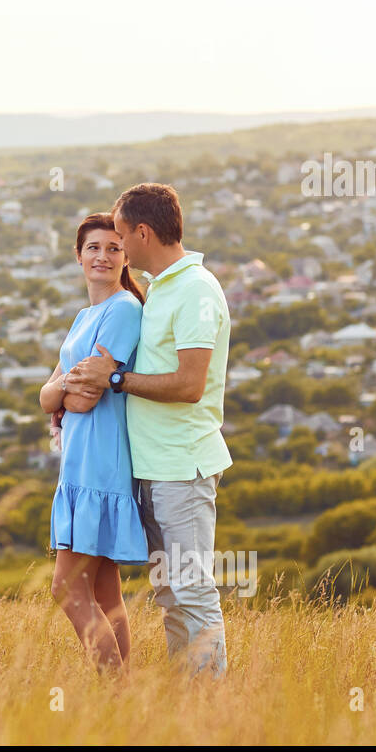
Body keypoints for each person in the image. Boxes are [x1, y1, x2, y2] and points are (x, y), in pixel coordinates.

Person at [66, 183, 232, 677]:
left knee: (192, 592)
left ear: (142, 232)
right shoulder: (163, 287)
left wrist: (114, 379)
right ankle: (188, 699)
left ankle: (208, 707)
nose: (117, 249)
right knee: (170, 593)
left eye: (120, 236)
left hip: (182, 467)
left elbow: (189, 384)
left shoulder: (196, 290)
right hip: (153, 470)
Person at [38, 213, 148, 673]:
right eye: (93, 248)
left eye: (113, 248)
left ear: (126, 258)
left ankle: (114, 688)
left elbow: (81, 401)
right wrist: (62, 390)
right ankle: (124, 701)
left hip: (100, 461)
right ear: (78, 255)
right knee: (105, 590)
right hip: (80, 462)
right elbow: (49, 397)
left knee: (66, 586)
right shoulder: (85, 316)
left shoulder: (123, 309)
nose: (102, 256)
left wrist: (63, 391)